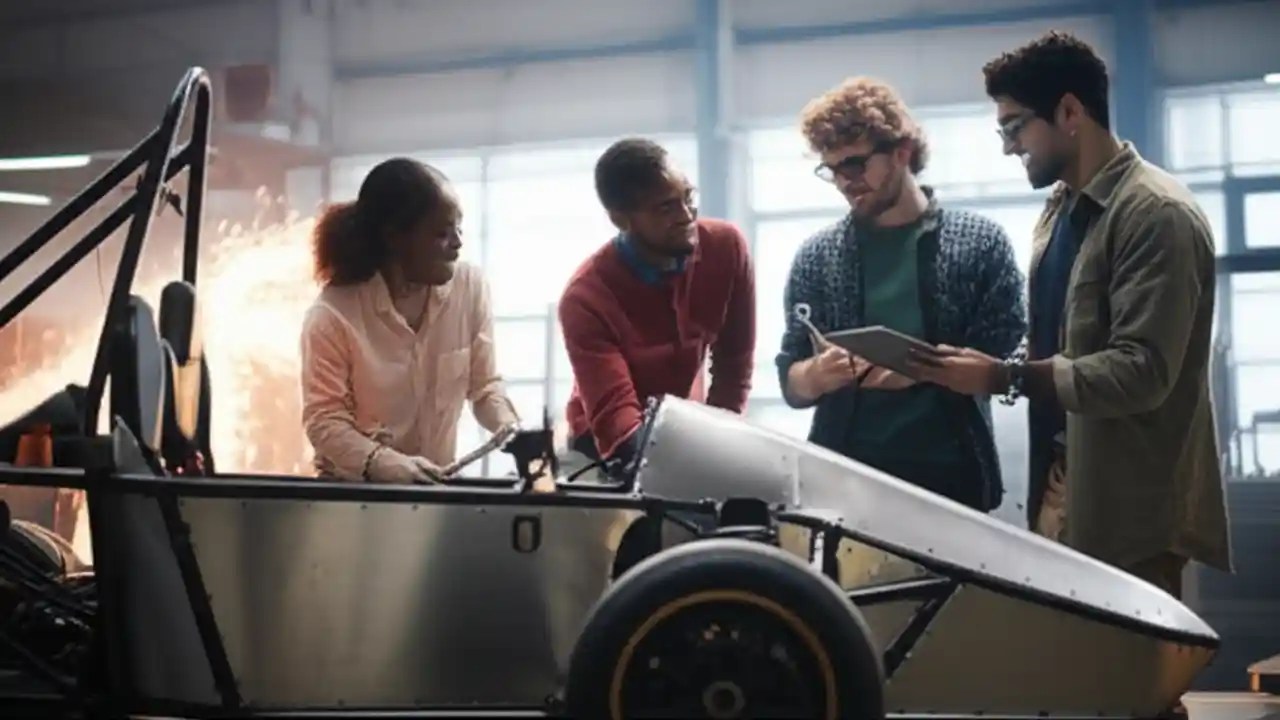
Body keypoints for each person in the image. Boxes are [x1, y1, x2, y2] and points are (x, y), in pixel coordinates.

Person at [907, 31, 1231, 598]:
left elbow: (1141, 371)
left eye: (1014, 127)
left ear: (1070, 111)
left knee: (1128, 683)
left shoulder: (1156, 215)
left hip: (1130, 515)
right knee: (1071, 681)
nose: (1008, 146)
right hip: (1064, 490)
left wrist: (1004, 378)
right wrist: (992, 365)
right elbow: (1069, 345)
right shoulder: (1062, 210)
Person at [777, 76, 1027, 512]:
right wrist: (818, 373)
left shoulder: (980, 243)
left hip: (953, 481)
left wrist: (926, 368)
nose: (843, 182)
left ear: (902, 153)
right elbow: (791, 380)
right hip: (844, 487)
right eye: (832, 170)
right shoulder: (817, 257)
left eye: (854, 165)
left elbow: (1006, 355)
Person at [300, 157, 518, 483]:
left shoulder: (470, 287)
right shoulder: (332, 316)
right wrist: (382, 462)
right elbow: (324, 421)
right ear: (394, 237)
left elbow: (484, 386)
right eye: (443, 233)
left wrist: (510, 427)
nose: (458, 244)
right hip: (355, 496)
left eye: (459, 229)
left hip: (435, 491)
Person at [560, 138, 755, 466]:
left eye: (688, 197)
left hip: (681, 430)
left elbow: (734, 366)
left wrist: (719, 447)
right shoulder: (585, 299)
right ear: (620, 219)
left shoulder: (726, 248)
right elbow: (618, 428)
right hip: (601, 448)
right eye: (665, 207)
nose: (686, 216)